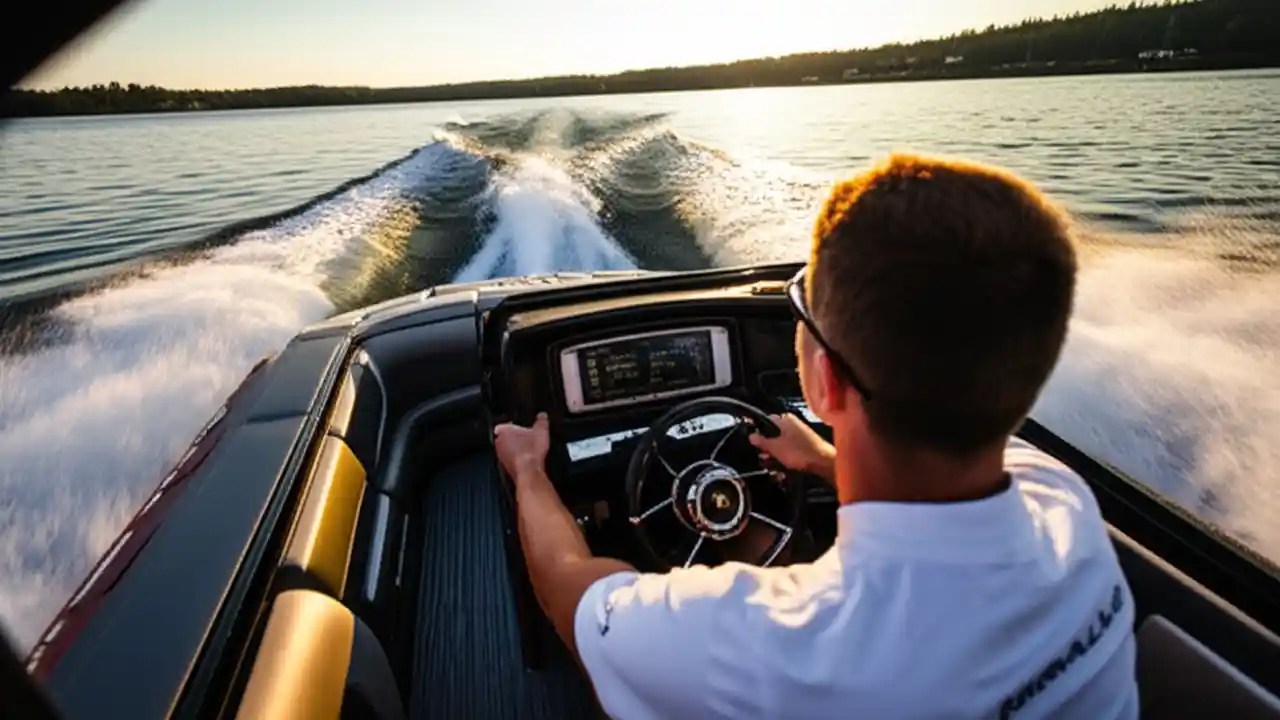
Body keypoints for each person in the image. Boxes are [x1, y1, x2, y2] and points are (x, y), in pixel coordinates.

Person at [493, 153, 1138, 719]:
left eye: (801, 308)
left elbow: (567, 587)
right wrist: (824, 460)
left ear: (824, 380)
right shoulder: (1067, 506)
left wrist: (527, 470)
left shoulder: (767, 648)